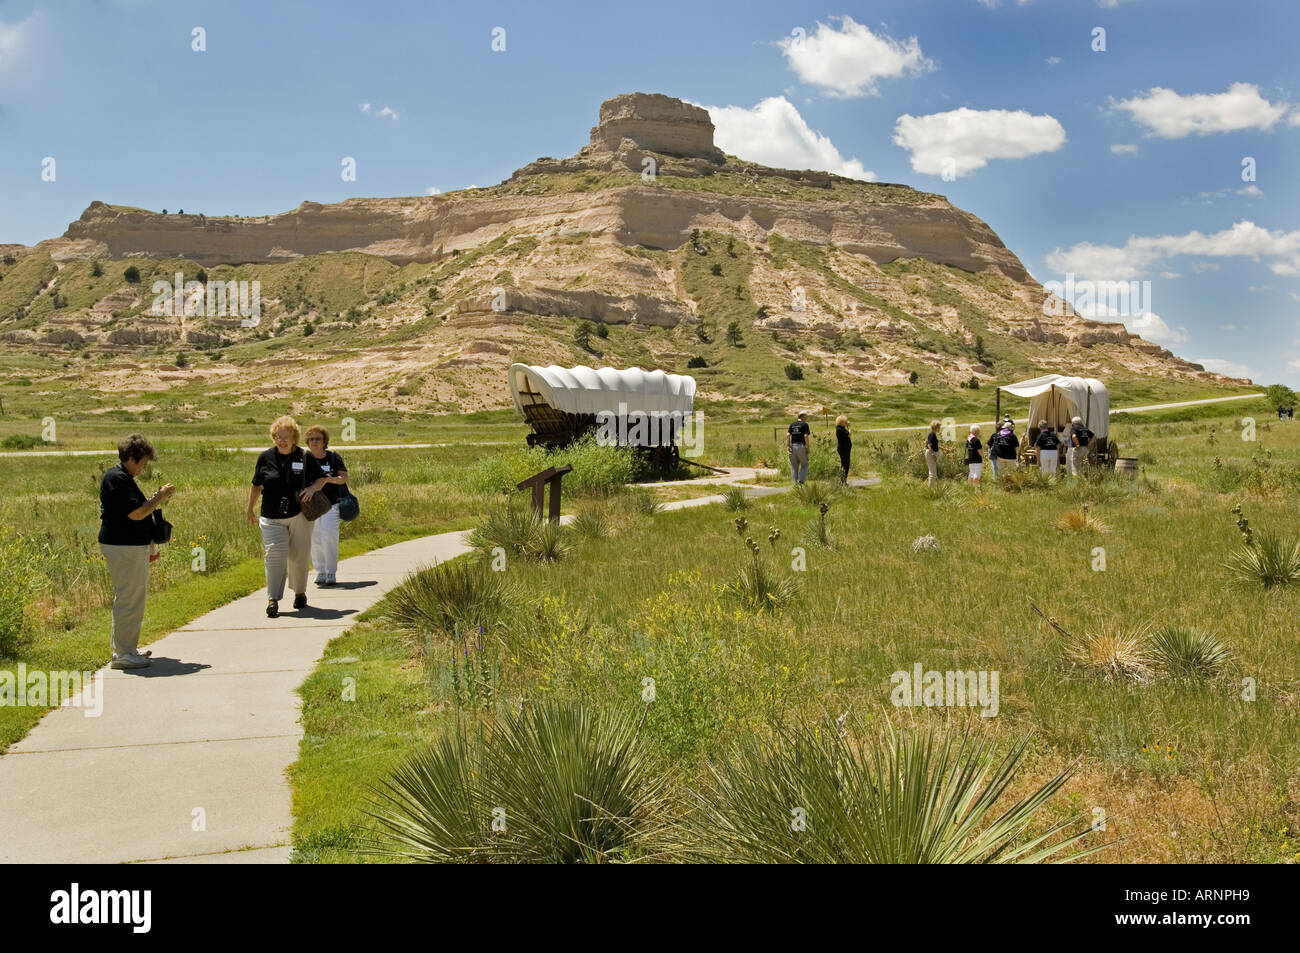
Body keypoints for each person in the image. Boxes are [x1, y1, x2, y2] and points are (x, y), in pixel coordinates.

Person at [99, 435, 174, 669]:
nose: (143, 468)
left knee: (130, 598)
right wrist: (160, 496)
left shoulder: (124, 478)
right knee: (129, 600)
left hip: (131, 546)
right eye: (142, 462)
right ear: (131, 457)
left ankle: (125, 648)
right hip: (124, 546)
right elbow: (136, 513)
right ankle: (123, 653)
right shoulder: (117, 479)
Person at [247, 416, 327, 618]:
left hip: (299, 513)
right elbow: (256, 485)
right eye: (278, 436)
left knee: (299, 556)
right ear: (273, 437)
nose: (282, 440)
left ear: (294, 437)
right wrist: (249, 509)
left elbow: (321, 478)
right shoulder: (265, 457)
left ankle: (300, 592)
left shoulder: (304, 456)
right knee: (275, 554)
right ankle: (273, 599)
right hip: (271, 515)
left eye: (286, 437)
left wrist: (311, 488)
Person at [305, 425, 349, 586]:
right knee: (314, 538)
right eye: (311, 439)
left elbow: (343, 478)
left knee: (329, 536)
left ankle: (331, 572)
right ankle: (320, 570)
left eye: (318, 439)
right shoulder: (304, 458)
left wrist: (328, 479)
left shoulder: (332, 457)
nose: (314, 442)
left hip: (331, 504)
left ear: (324, 441)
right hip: (312, 505)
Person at [786, 411, 812, 484]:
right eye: (806, 416)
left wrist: (788, 446)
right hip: (801, 446)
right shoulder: (805, 424)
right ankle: (801, 481)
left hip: (792, 446)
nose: (807, 417)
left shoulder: (792, 424)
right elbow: (806, 436)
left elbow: (788, 435)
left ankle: (795, 484)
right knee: (804, 464)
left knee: (794, 466)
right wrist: (807, 447)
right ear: (803, 416)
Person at [834, 415, 851, 483]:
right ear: (841, 422)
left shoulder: (841, 428)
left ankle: (844, 480)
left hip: (845, 449)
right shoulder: (839, 429)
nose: (846, 423)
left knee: (846, 464)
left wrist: (846, 426)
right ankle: (842, 480)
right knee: (845, 465)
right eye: (845, 421)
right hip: (843, 449)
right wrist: (849, 427)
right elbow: (849, 433)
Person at [925, 420, 942, 486]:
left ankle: (932, 488)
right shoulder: (932, 434)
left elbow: (935, 445)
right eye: (939, 427)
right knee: (933, 474)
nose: (940, 428)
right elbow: (929, 445)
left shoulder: (933, 434)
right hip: (930, 454)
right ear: (936, 427)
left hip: (931, 453)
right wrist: (933, 454)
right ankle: (930, 490)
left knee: (933, 473)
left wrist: (945, 449)